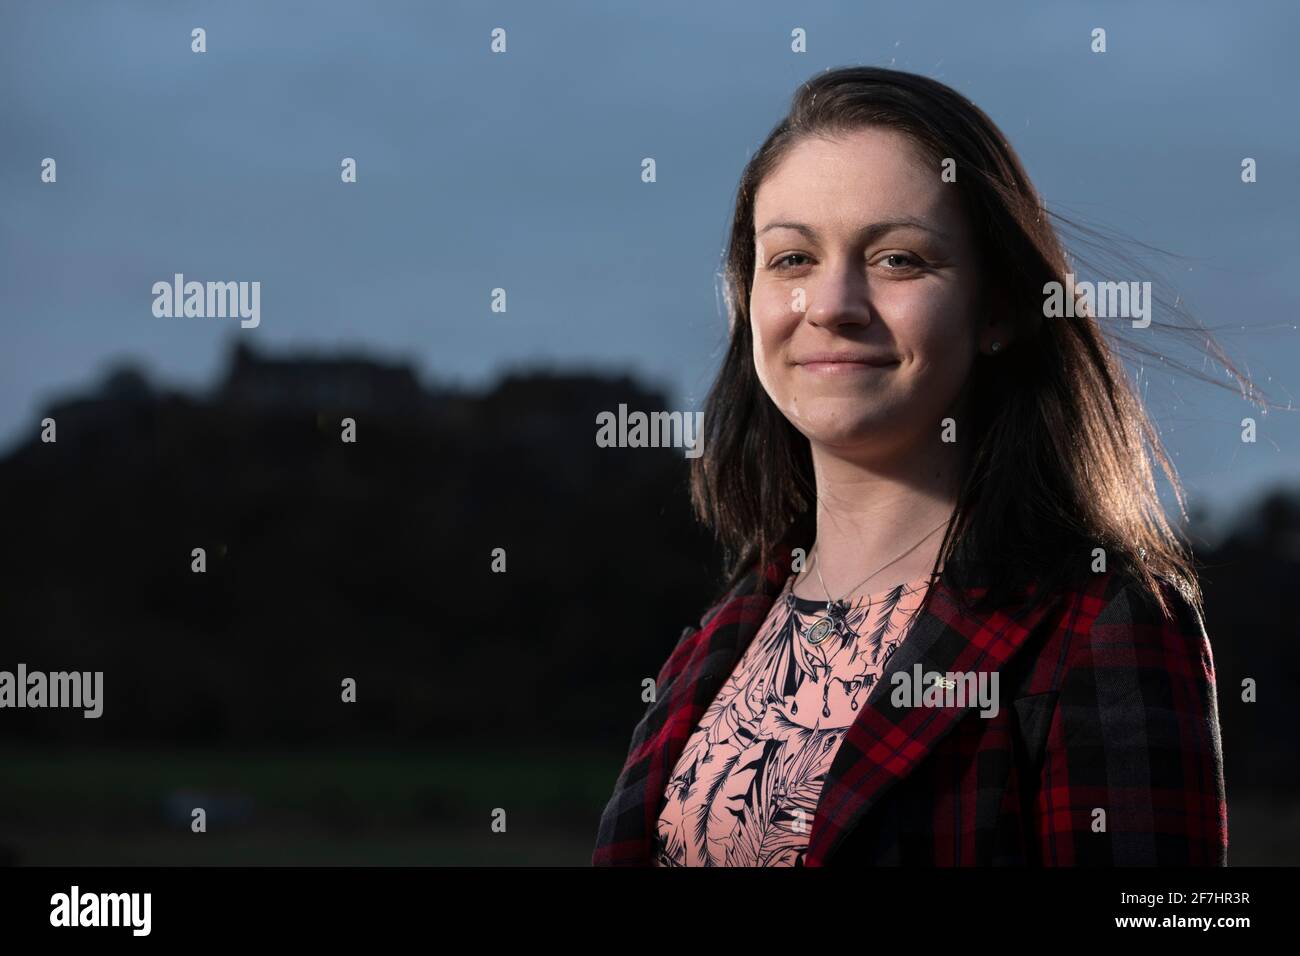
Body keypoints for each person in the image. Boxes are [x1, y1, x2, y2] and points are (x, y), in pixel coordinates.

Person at [593, 66, 1245, 866]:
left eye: (899, 259)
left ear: (997, 310)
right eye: (792, 259)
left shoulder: (1103, 624)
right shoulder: (721, 636)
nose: (831, 304)